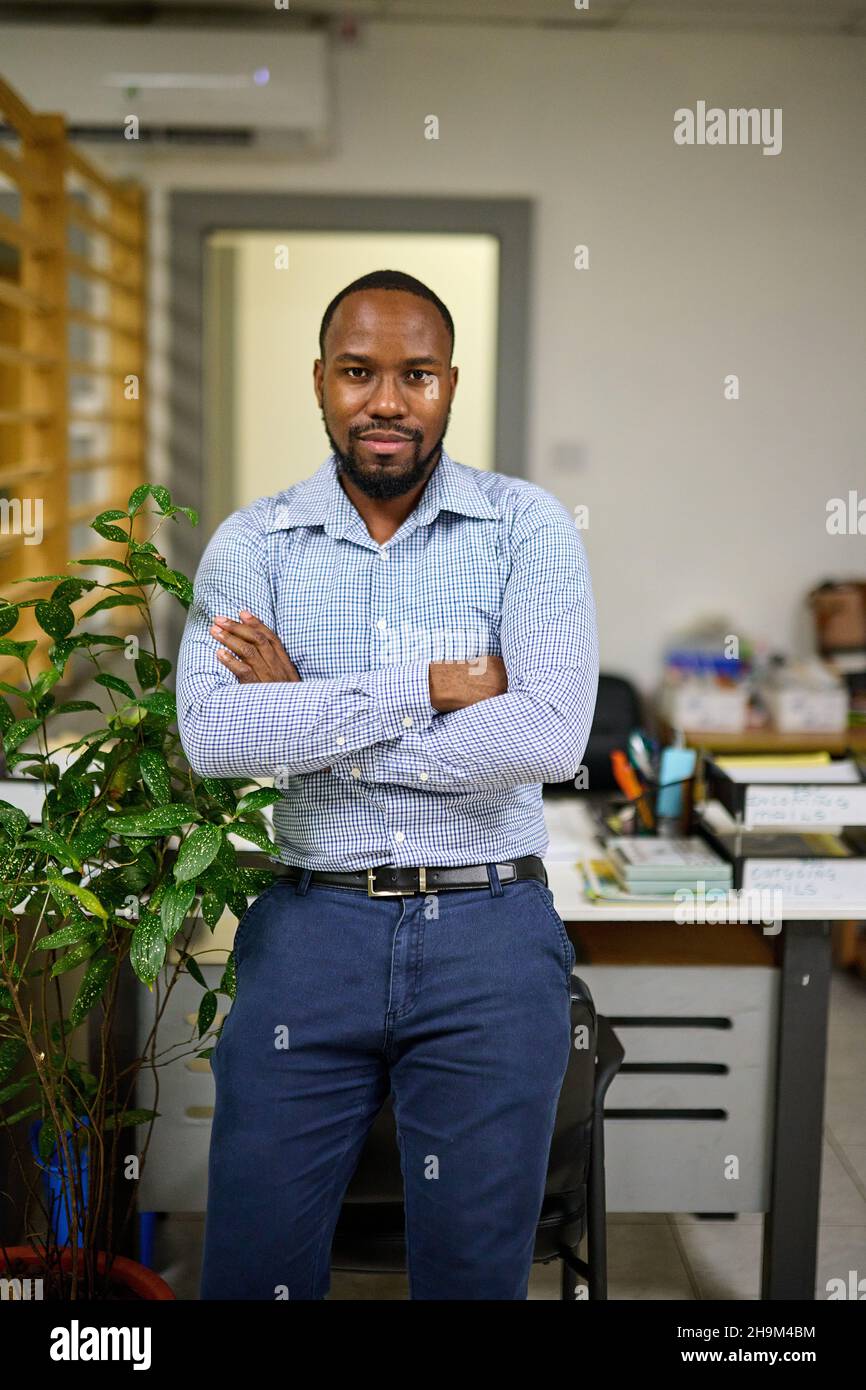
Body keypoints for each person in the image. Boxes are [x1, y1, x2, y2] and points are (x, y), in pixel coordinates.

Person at [176, 267, 600, 1300]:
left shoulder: (524, 528)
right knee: (252, 1268)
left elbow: (546, 732)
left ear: (448, 382)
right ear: (318, 379)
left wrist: (315, 718)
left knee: (470, 1275)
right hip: (310, 931)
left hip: (488, 933)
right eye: (358, 372)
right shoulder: (255, 541)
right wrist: (436, 688)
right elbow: (215, 731)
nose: (385, 402)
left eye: (414, 375)